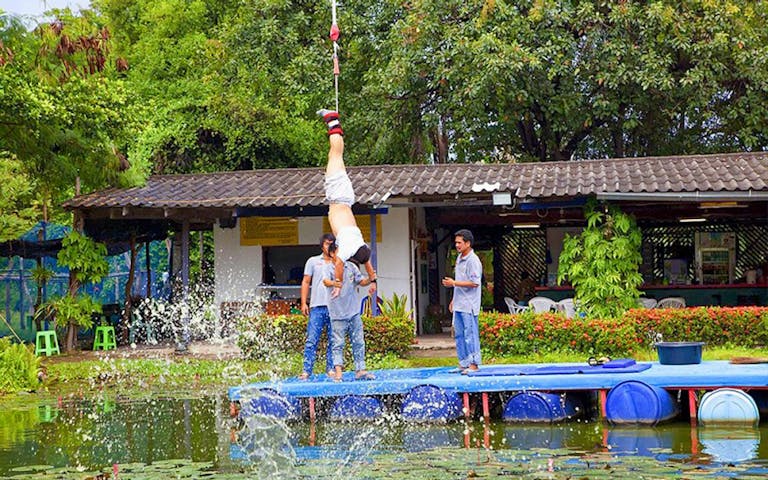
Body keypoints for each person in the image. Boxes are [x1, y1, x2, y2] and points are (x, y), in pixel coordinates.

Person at [317, 109, 377, 296]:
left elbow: (367, 260)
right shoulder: (348, 250)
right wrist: (338, 284)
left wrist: (373, 279)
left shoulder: (360, 244)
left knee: (336, 156)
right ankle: (332, 120)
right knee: (335, 155)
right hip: (338, 196)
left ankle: (334, 124)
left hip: (344, 198)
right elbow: (340, 265)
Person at [323, 243, 376, 381]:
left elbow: (360, 281)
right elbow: (326, 281)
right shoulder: (328, 268)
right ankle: (338, 371)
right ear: (333, 254)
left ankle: (360, 370)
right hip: (337, 312)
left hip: (353, 311)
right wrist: (336, 283)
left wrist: (370, 280)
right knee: (338, 343)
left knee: (358, 341)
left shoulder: (351, 266)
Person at [442, 229, 483, 373]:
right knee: (459, 334)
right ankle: (464, 363)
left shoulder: (473, 260)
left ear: (468, 243)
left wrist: (453, 283)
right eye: (456, 243)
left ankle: (474, 364)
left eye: (459, 243)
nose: (457, 245)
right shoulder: (459, 258)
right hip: (459, 303)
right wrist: (454, 299)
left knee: (470, 334)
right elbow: (459, 281)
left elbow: (474, 282)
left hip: (469, 304)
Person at [298, 233, 336, 380]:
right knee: (312, 339)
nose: (329, 246)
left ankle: (331, 369)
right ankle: (307, 370)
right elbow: (306, 281)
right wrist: (303, 302)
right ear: (322, 245)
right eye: (327, 243)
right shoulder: (313, 261)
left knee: (334, 340)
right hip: (316, 306)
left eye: (332, 244)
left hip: (334, 307)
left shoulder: (338, 262)